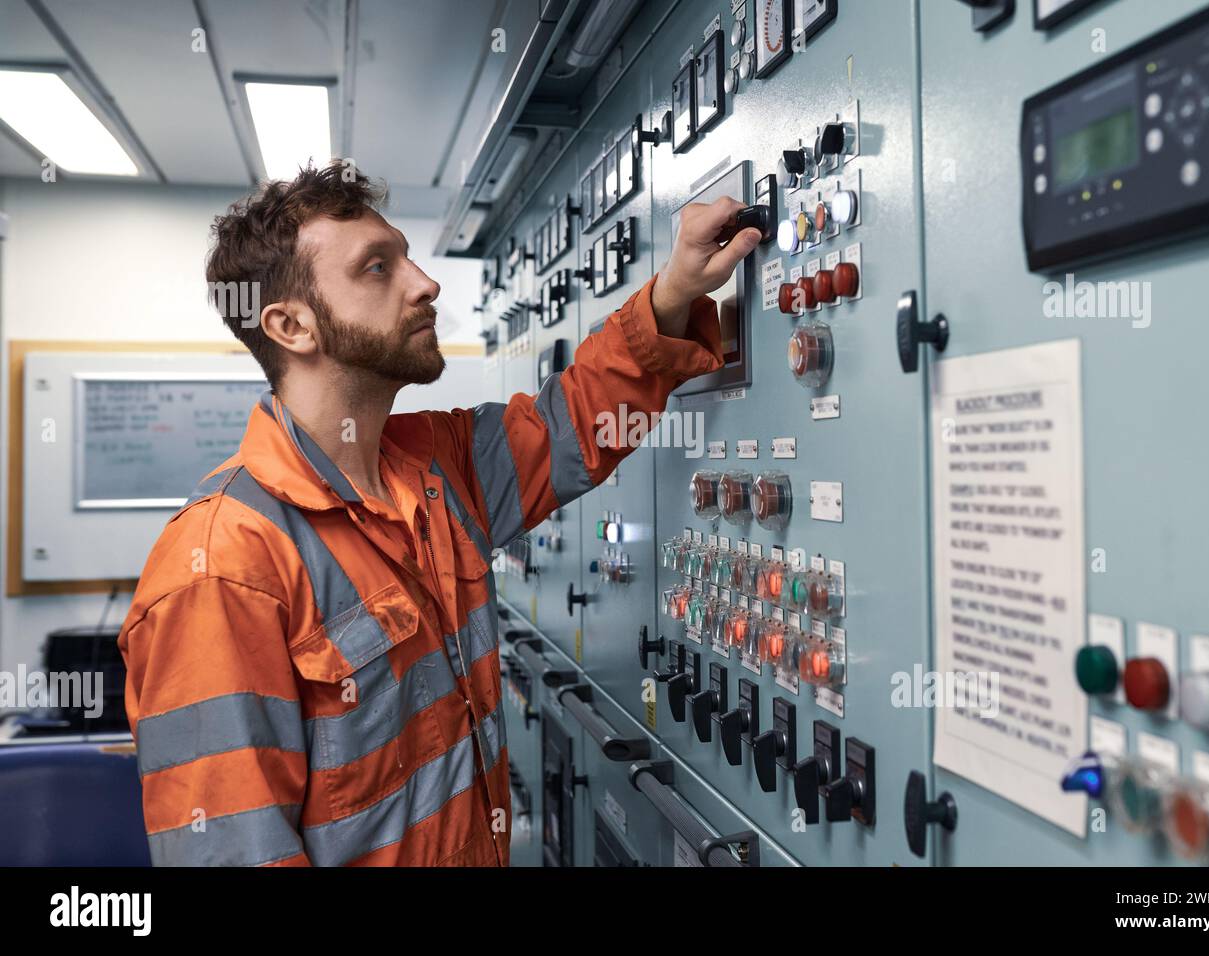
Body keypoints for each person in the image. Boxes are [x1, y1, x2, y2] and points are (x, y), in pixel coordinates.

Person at [116, 159, 761, 866]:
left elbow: (578, 421)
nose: (425, 284)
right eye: (377, 268)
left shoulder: (435, 468)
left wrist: (676, 290)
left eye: (409, 259)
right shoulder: (222, 569)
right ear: (291, 326)